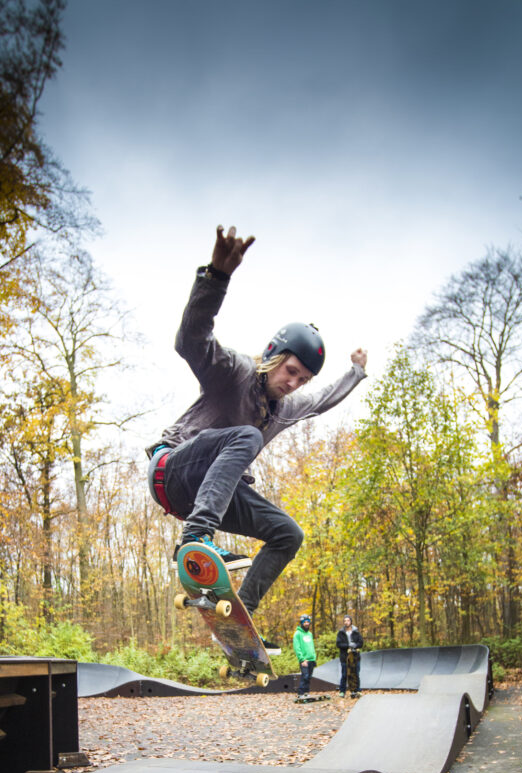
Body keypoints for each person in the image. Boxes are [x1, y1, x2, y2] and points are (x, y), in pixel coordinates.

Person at [146, 224, 368, 622]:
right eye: (291, 370)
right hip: (172, 471)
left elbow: (321, 401)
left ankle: (241, 616)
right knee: (246, 437)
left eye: (301, 379)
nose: (292, 383)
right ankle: (195, 539)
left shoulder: (282, 408)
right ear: (274, 355)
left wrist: (354, 373)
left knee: (288, 534)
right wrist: (216, 277)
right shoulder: (235, 370)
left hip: (210, 494)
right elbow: (191, 340)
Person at [336, 615, 363, 698]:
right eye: (345, 621)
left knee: (355, 673)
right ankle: (342, 691)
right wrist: (348, 645)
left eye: (348, 620)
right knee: (344, 674)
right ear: (344, 622)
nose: (346, 622)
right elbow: (338, 644)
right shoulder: (341, 632)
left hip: (355, 656)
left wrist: (354, 646)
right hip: (345, 656)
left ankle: (357, 690)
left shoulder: (356, 632)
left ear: (351, 621)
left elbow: (361, 643)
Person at [293, 613, 317, 702]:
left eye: (308, 622)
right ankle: (300, 693)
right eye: (305, 622)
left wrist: (314, 656)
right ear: (301, 623)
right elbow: (297, 647)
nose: (307, 623)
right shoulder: (297, 634)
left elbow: (312, 646)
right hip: (304, 659)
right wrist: (302, 659)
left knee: (309, 676)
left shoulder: (310, 634)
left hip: (311, 659)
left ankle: (306, 692)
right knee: (305, 675)